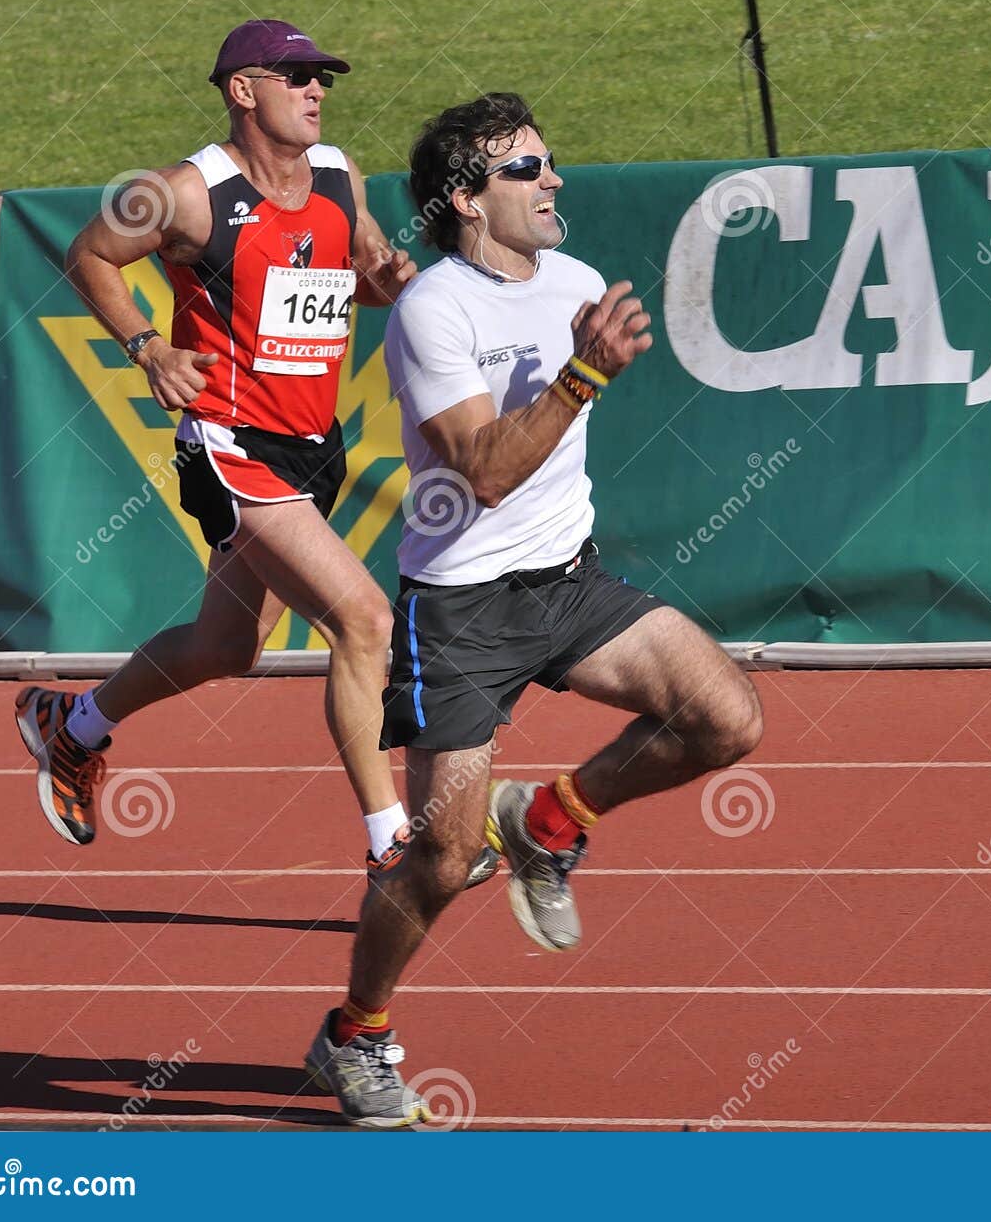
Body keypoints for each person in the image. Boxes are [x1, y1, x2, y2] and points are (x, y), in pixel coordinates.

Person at [303, 92, 764, 1127]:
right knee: (439, 855)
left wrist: (579, 363)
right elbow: (484, 472)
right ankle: (354, 1036)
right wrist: (583, 370)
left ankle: (551, 820)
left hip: (566, 583)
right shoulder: (434, 309)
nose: (553, 181)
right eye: (527, 169)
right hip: (460, 611)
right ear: (466, 200)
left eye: (550, 163)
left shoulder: (576, 281)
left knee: (726, 717)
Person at [13, 19, 497, 887]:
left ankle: (73, 726)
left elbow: (363, 272)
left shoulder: (341, 177)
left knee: (227, 645)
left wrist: (381, 281)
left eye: (323, 78)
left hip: (314, 447)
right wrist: (148, 349)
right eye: (298, 75)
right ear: (244, 91)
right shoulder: (185, 193)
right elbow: (90, 255)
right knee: (363, 621)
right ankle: (392, 835)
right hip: (229, 445)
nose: (317, 90)